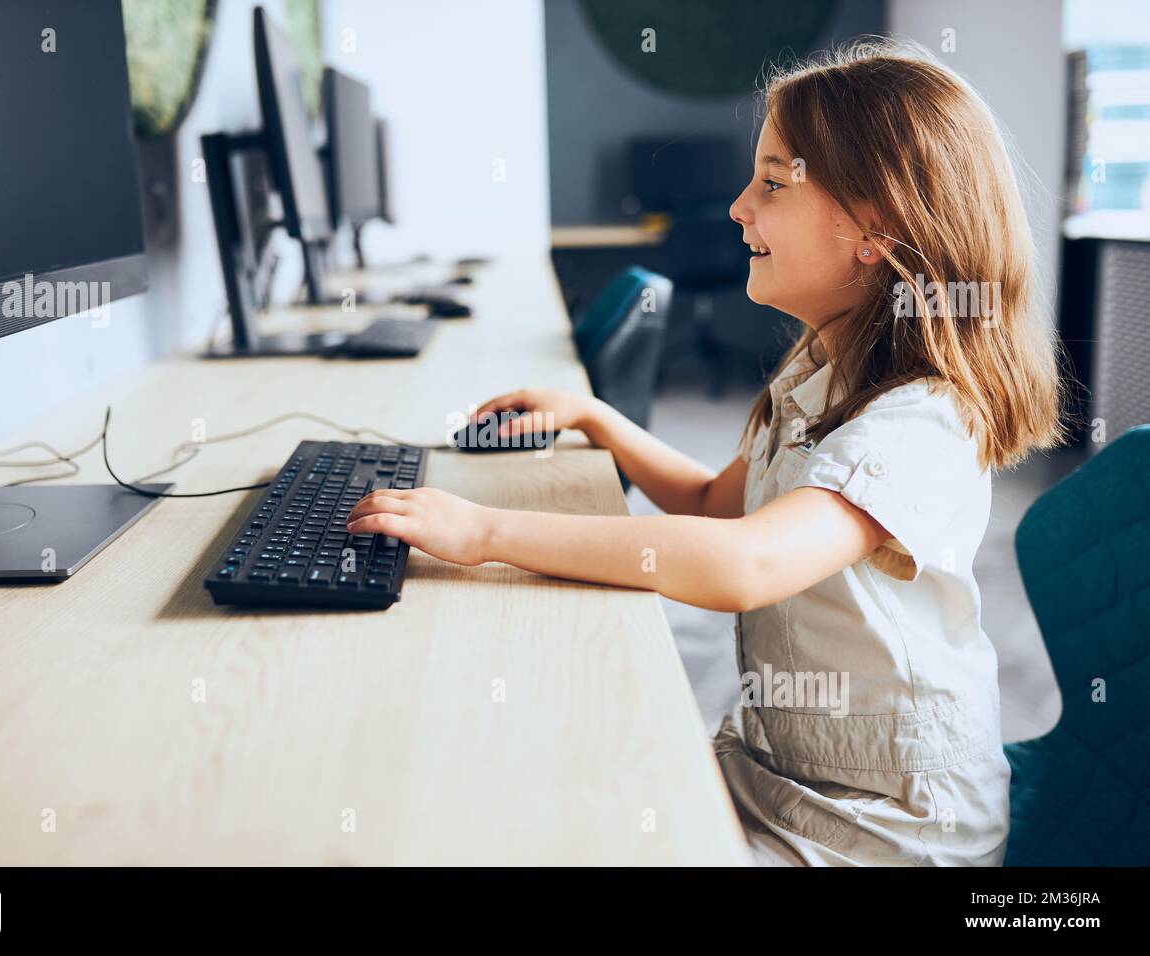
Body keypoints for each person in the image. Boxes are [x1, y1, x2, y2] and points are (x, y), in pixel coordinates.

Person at [346, 39, 1069, 865]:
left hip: (886, 832)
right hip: (779, 774)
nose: (737, 208)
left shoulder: (921, 425)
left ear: (877, 228)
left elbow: (744, 565)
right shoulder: (821, 366)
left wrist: (486, 535)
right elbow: (714, 504)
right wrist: (597, 419)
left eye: (771, 183)